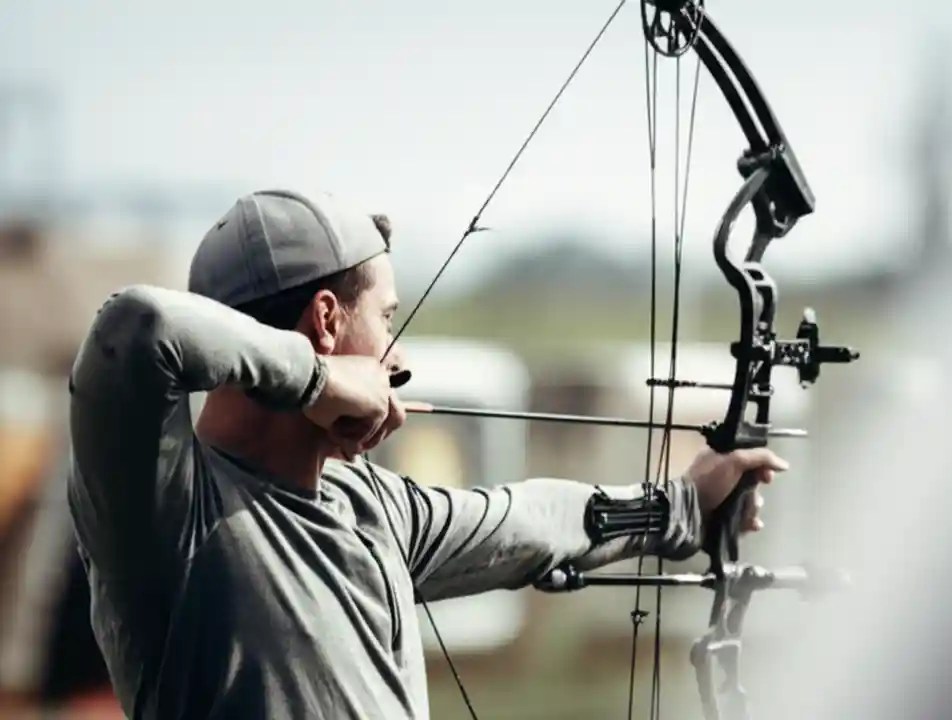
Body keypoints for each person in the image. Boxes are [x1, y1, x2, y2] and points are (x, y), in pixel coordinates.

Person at [66, 188, 788, 719]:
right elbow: (137, 328)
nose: (397, 354)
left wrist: (685, 503)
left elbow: (526, 522)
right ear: (325, 320)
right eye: (385, 319)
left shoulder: (368, 504)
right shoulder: (167, 512)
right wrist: (318, 379)